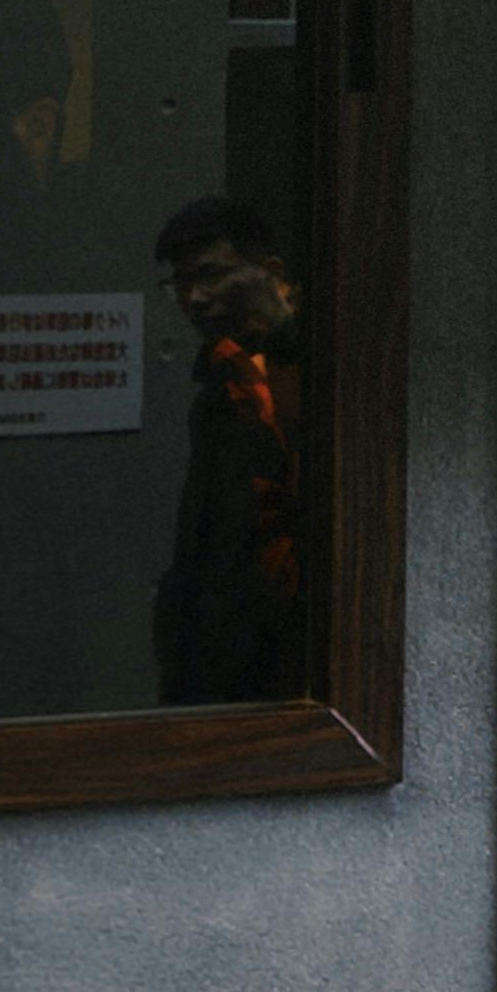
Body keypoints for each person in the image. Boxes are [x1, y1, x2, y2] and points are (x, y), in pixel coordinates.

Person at [151, 195, 307, 705]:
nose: (194, 299)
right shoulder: (224, 380)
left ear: (271, 272)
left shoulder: (315, 369)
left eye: (212, 275)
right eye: (179, 283)